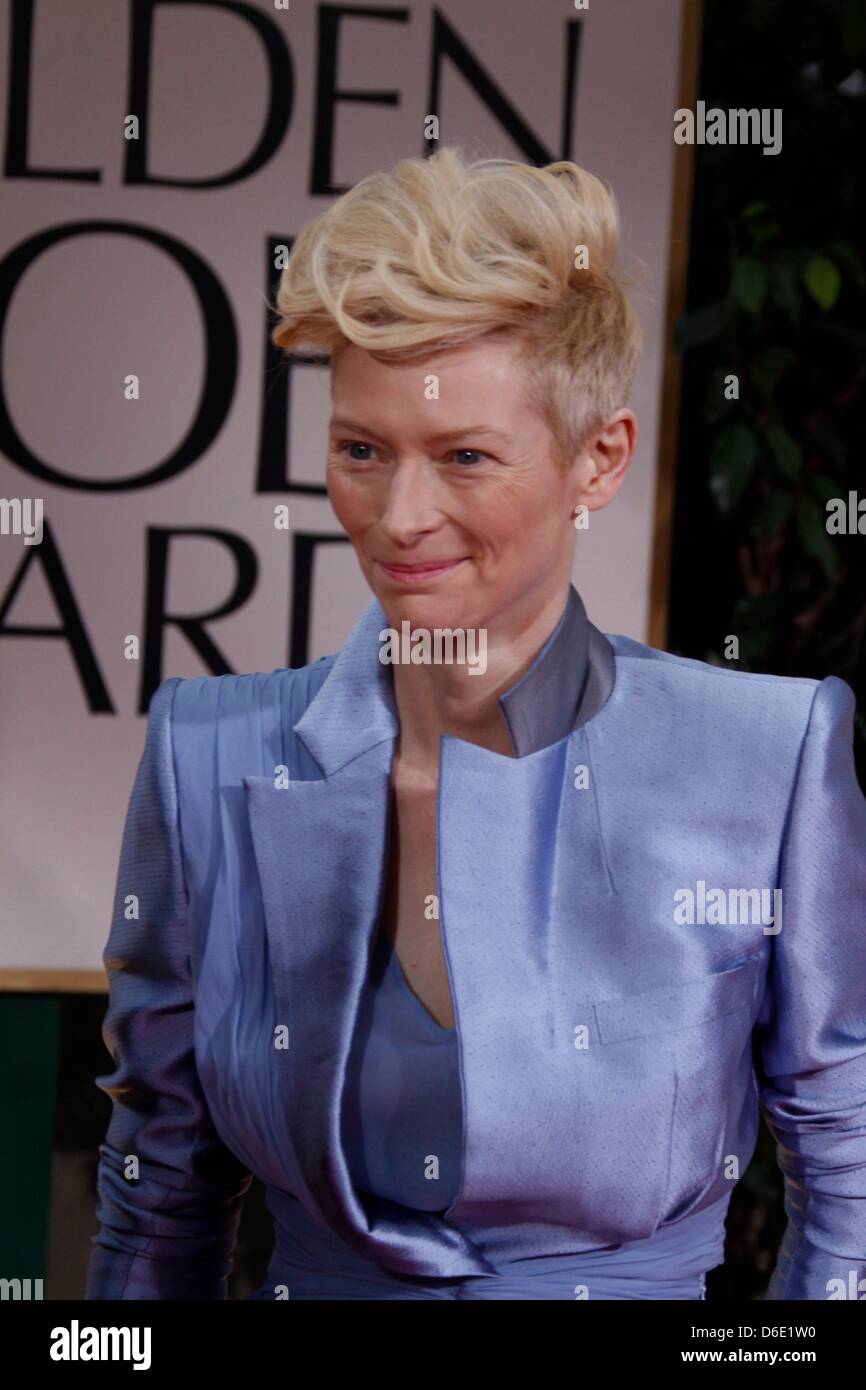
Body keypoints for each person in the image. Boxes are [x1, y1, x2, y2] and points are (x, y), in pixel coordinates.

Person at [86, 146, 866, 1301]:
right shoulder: (209, 751)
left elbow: (847, 1195)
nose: (399, 518)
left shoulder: (763, 753)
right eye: (361, 450)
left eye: (463, 457)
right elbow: (158, 1203)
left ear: (597, 459)